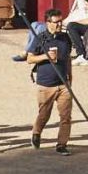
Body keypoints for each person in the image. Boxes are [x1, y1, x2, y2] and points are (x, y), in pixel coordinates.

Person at [28, 19, 76, 154]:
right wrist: (45, 56)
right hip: (46, 83)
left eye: (60, 21)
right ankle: (36, 132)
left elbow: (67, 58)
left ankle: (62, 144)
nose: (59, 25)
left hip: (63, 83)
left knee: (66, 116)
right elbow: (30, 58)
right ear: (48, 23)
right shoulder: (40, 38)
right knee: (44, 114)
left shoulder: (65, 38)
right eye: (56, 22)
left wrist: (70, 76)